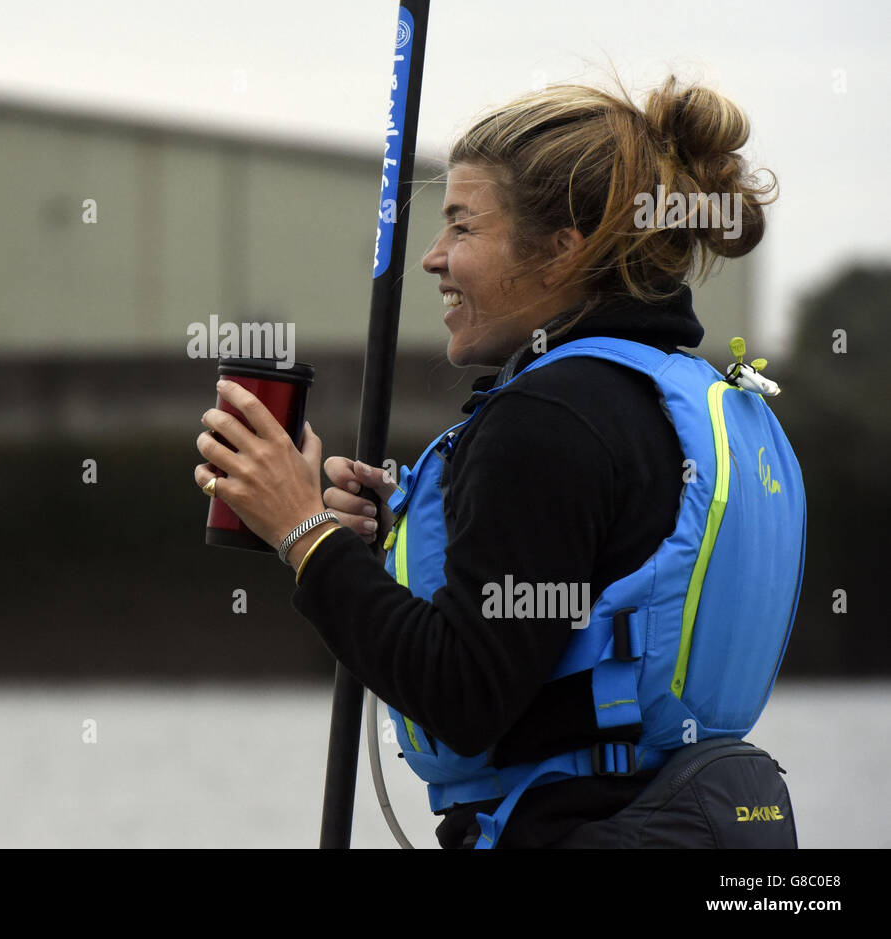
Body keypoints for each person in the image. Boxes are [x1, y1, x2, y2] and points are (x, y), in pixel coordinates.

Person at [194, 75, 806, 848]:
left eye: (461, 227)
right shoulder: (697, 401)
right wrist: (380, 540)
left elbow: (463, 690)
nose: (432, 258)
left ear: (560, 248)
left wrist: (302, 531)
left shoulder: (549, 417)